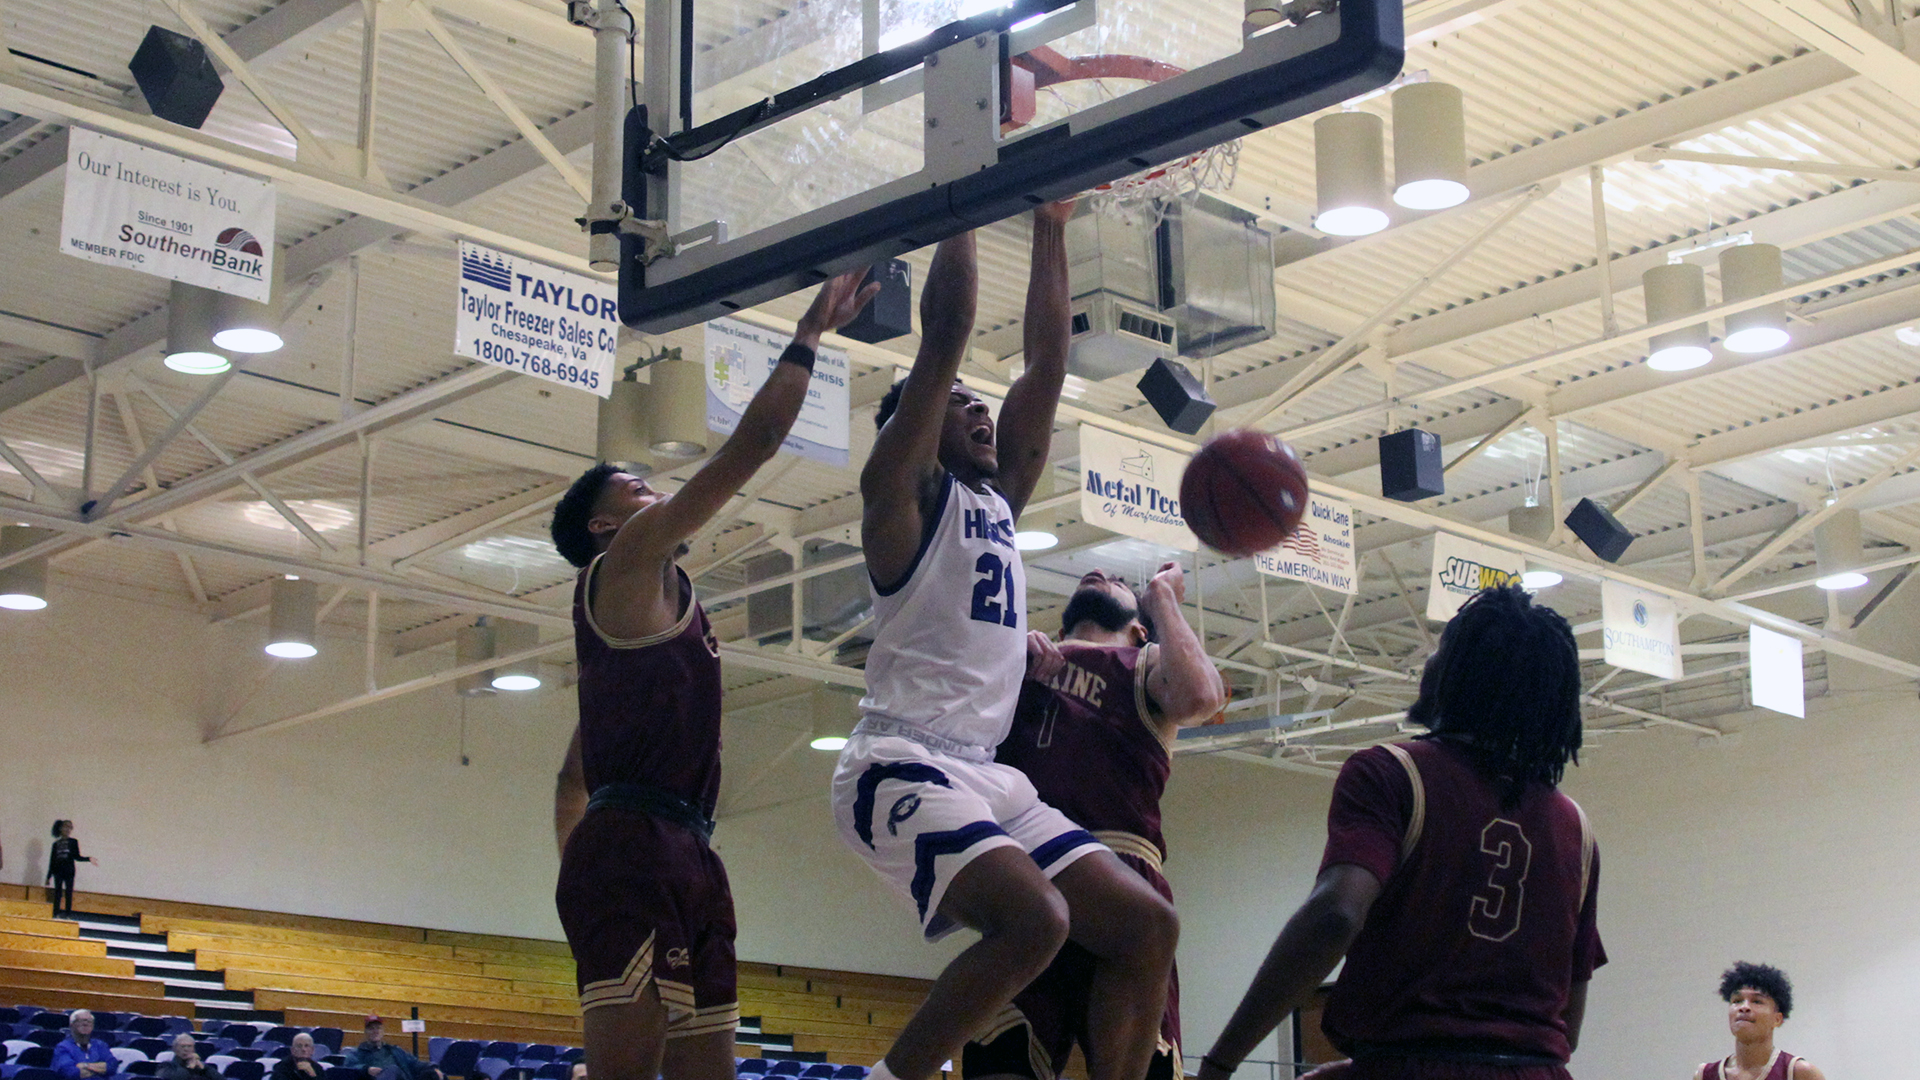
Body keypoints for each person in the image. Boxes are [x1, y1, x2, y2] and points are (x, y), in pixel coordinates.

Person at [829, 207, 1178, 1080]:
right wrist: (966, 205)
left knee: (1148, 929)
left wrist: (1053, 221)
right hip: (898, 760)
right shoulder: (899, 498)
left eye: (982, 405)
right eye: (960, 406)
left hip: (986, 773)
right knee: (1038, 922)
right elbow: (942, 337)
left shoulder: (999, 504)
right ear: (912, 428)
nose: (981, 410)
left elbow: (1047, 366)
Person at [549, 270, 879, 1080]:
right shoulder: (622, 564)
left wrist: (580, 868)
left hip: (685, 848)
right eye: (634, 486)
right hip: (637, 848)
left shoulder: (659, 613)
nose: (653, 490)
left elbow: (570, 776)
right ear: (604, 525)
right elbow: (753, 446)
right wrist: (807, 334)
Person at [1197, 585, 1604, 1080]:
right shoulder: (1574, 827)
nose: (1427, 661)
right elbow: (1567, 1025)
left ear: (1463, 675)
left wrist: (1222, 1061)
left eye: (1443, 648)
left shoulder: (1392, 774)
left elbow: (1336, 914)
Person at [965, 563, 1226, 1080]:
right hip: (1027, 874)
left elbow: (1201, 698)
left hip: (1122, 870)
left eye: (1118, 582)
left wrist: (1163, 598)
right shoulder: (1025, 661)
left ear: (1139, 630)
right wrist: (1008, 653)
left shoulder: (1145, 663)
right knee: (1001, 1063)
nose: (1098, 568)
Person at [1692, 963, 1825, 1080]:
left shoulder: (1800, 1073)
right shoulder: (1705, 1074)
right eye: (1737, 1001)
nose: (1744, 1007)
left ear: (1777, 1019)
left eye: (1757, 1001)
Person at [345, 1017, 442, 1080]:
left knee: (434, 1074)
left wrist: (433, 1068)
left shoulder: (395, 1050)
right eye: (371, 1028)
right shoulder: (357, 1053)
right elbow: (349, 1068)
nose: (375, 1031)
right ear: (366, 1032)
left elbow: (414, 1063)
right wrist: (367, 1069)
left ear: (383, 1031)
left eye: (378, 1028)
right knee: (393, 1070)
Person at [46, 820, 94, 915]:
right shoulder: (56, 844)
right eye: (66, 827)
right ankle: (56, 913)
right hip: (58, 871)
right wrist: (49, 876)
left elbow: (77, 856)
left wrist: (88, 859)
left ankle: (68, 913)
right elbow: (52, 861)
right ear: (60, 828)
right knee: (58, 892)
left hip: (69, 870)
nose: (68, 829)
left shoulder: (73, 842)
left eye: (70, 827)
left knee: (68, 892)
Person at [52, 1010, 116, 1080]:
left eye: (89, 1021)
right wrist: (100, 1069)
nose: (85, 1024)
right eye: (80, 1021)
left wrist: (84, 1066)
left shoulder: (100, 1045)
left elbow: (112, 1067)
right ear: (72, 1025)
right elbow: (71, 1073)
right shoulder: (63, 1047)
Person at [158, 1034, 222, 1080]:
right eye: (182, 1046)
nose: (186, 1049)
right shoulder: (166, 1066)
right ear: (175, 1049)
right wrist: (190, 1067)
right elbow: (179, 1077)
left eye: (189, 1046)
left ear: (194, 1049)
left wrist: (204, 1068)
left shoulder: (200, 1067)